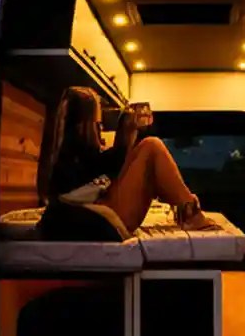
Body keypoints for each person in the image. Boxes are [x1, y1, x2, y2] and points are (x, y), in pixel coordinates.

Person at [37, 86, 213, 241]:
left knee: (148, 147)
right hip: (99, 217)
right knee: (152, 146)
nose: (100, 129)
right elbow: (106, 165)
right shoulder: (71, 155)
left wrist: (127, 131)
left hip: (100, 207)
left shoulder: (70, 153)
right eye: (97, 124)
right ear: (84, 123)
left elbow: (108, 166)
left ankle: (186, 208)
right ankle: (190, 212)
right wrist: (126, 131)